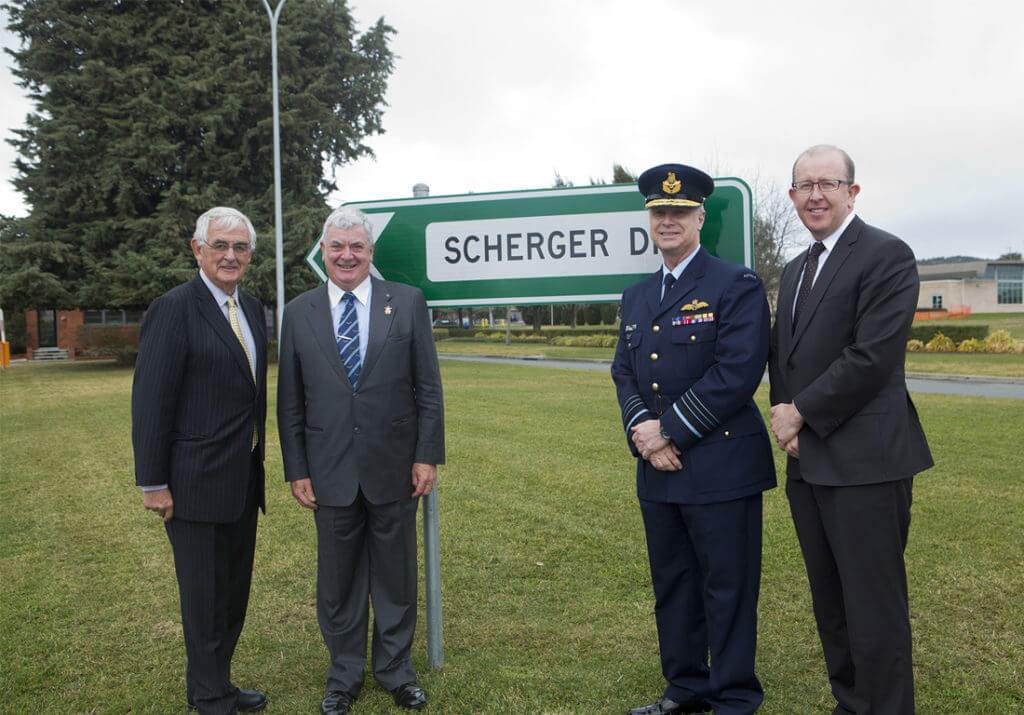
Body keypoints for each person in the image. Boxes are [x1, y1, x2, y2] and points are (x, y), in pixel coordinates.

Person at [768, 145, 933, 715]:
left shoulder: (886, 255)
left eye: (827, 183)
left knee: (873, 606)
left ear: (852, 192)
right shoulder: (795, 269)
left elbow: (872, 356)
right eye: (804, 186)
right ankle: (852, 703)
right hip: (807, 460)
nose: (815, 194)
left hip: (867, 464)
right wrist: (784, 417)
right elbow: (783, 355)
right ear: (792, 197)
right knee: (832, 603)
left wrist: (800, 412)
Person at [612, 164, 776, 715]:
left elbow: (737, 372)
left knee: (727, 588)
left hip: (721, 465)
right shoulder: (635, 296)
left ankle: (732, 696)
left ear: (700, 217)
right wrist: (643, 432)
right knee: (674, 585)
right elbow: (623, 373)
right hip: (658, 468)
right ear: (649, 221)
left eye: (679, 212)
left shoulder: (736, 284)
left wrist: (670, 431)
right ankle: (684, 688)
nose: (668, 221)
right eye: (659, 212)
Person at [277, 205, 445, 714]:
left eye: (357, 247)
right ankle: (343, 676)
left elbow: (428, 389)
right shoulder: (299, 312)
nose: (347, 255)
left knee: (395, 575)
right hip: (328, 471)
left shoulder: (408, 303)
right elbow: (290, 402)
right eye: (337, 246)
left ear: (371, 253)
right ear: (323, 252)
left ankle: (397, 670)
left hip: (395, 466)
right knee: (338, 581)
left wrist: (426, 456)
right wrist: (297, 468)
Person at [132, 206, 268, 714]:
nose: (230, 256)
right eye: (220, 246)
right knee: (204, 600)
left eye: (240, 248)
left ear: (250, 255)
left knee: (232, 596)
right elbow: (150, 401)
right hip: (192, 485)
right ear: (198, 249)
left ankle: (219, 683)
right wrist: (152, 482)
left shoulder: (251, 308)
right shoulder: (174, 308)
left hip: (240, 482)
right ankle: (209, 697)